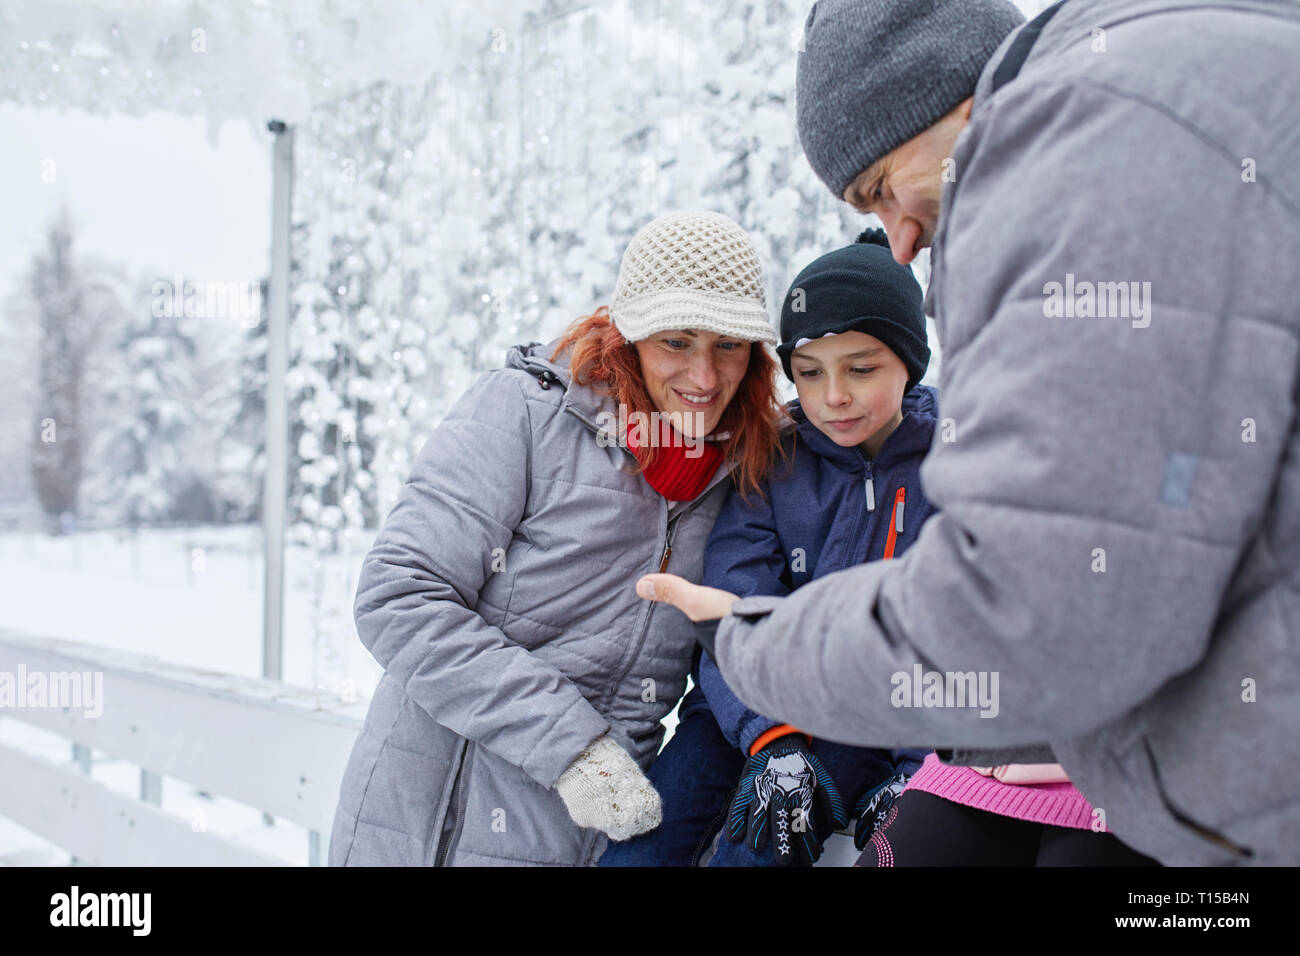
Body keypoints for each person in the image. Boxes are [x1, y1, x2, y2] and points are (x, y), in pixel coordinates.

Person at [637, 0, 1300, 865]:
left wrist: (751, 636)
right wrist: (775, 727)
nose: (900, 242)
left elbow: (1029, 608)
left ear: (953, 103)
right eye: (810, 370)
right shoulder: (1177, 72)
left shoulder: (1090, 156)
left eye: (881, 187)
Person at [327, 209, 785, 866]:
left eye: (728, 346)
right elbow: (398, 596)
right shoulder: (527, 414)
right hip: (430, 836)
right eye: (677, 342)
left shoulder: (748, 479)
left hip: (581, 847)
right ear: (630, 334)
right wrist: (573, 749)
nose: (705, 377)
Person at [602, 229, 933, 867]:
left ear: (910, 361)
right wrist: (771, 738)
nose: (833, 396)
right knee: (641, 847)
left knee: (761, 851)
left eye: (861, 369)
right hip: (736, 712)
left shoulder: (954, 464)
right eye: (808, 374)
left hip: (860, 723)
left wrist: (916, 771)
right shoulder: (775, 454)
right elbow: (732, 598)